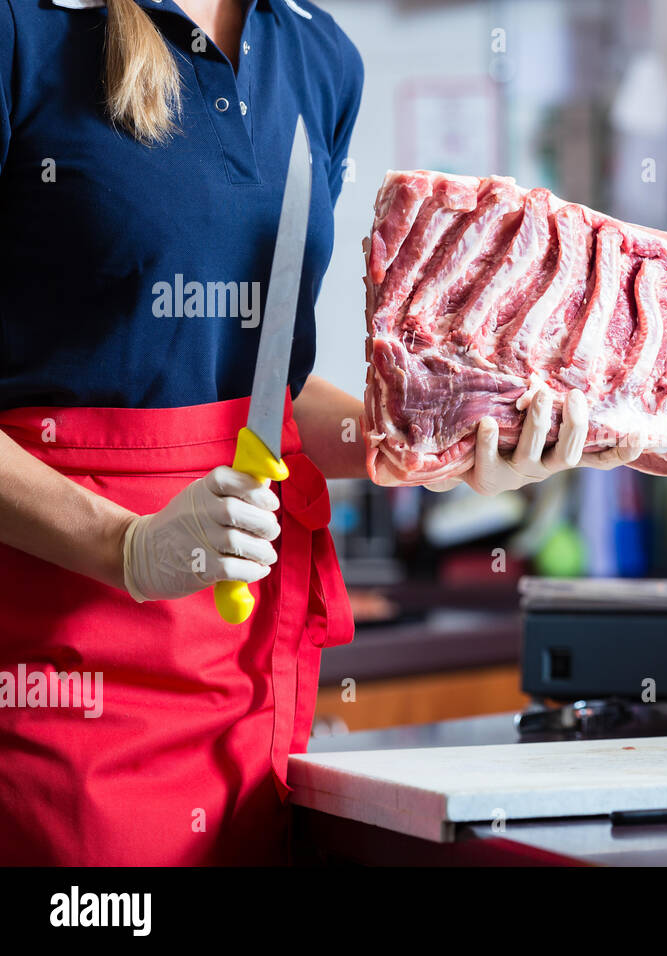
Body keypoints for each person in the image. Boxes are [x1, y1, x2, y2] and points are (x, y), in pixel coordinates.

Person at [0, 0, 629, 865]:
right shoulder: (23, 29)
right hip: (56, 668)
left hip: (244, 674)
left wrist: (438, 439)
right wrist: (130, 547)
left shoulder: (317, 56)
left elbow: (261, 399)